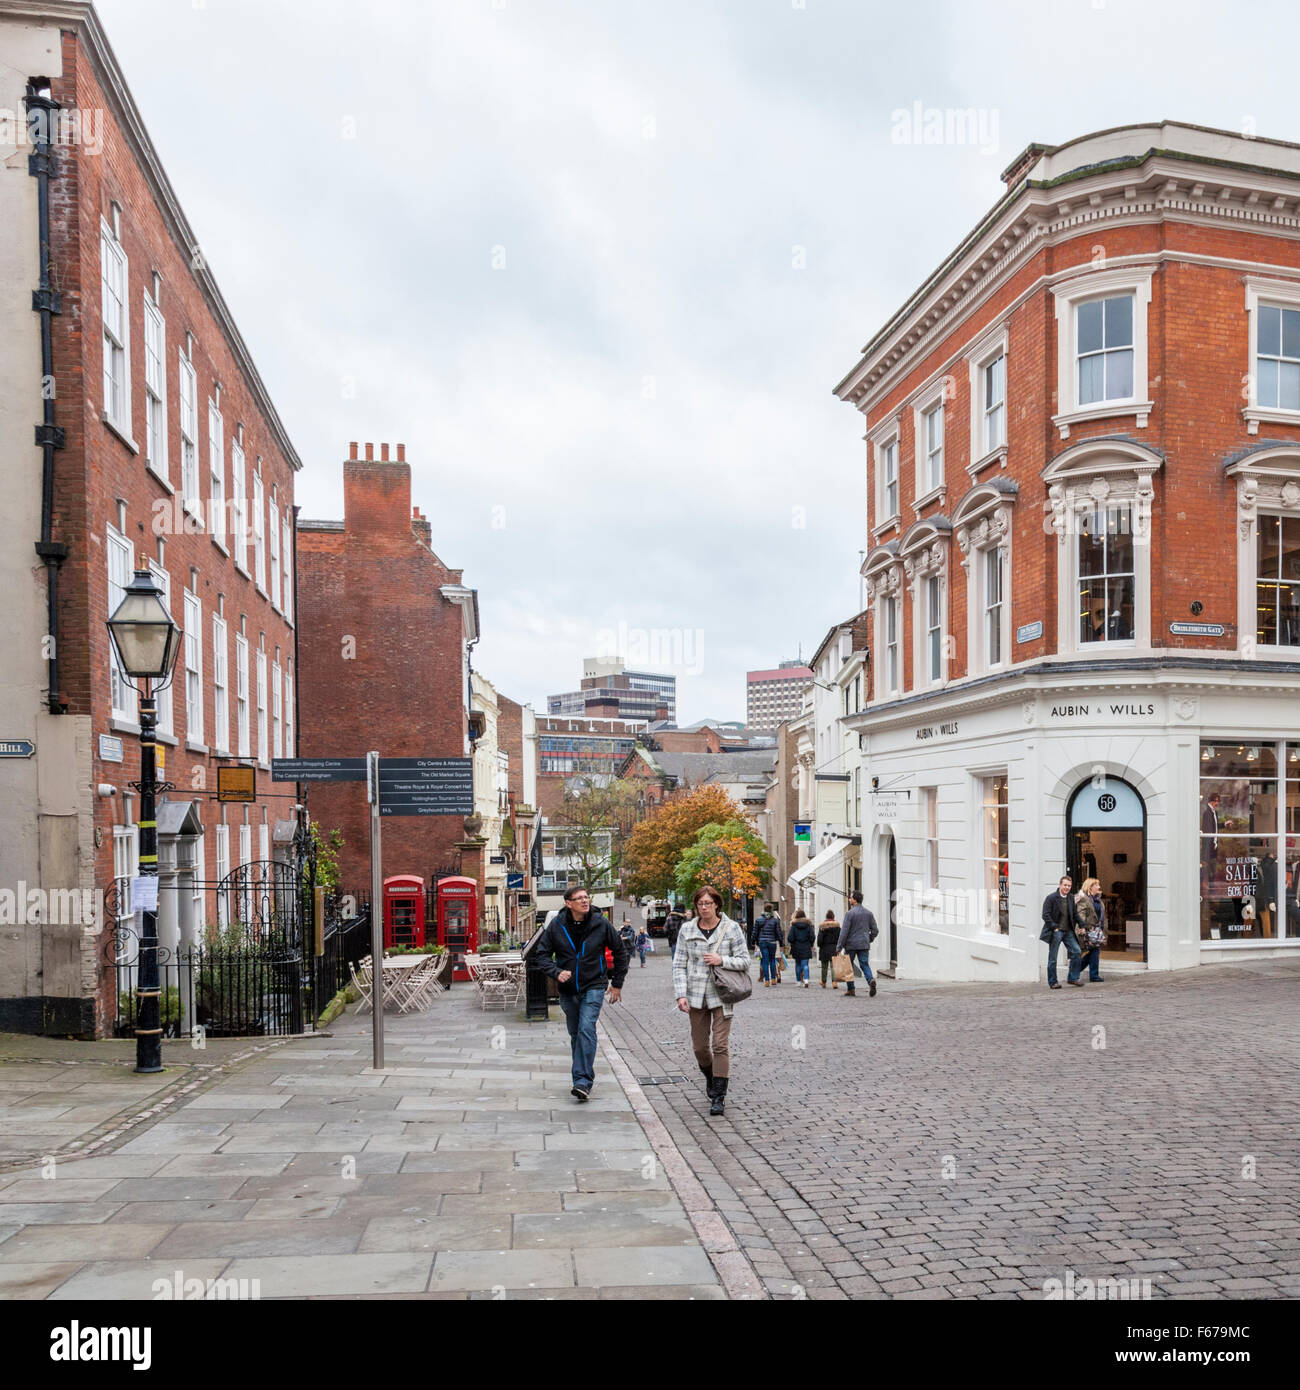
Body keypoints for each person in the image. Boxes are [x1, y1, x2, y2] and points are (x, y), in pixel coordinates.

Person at [533, 885, 628, 1101]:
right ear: (568, 903)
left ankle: (582, 1081)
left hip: (594, 985)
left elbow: (620, 951)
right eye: (579, 898)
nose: (585, 901)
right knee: (576, 1034)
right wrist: (556, 972)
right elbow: (542, 955)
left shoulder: (600, 922)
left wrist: (617, 983)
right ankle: (584, 1074)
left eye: (586, 897)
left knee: (586, 1028)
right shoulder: (557, 925)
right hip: (567, 990)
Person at [672, 884, 751, 1117]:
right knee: (699, 1048)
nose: (704, 907)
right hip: (696, 995)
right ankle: (709, 1075)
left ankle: (718, 1096)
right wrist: (680, 993)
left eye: (708, 903)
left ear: (716, 904)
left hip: (722, 994)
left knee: (720, 1045)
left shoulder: (731, 928)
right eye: (700, 904)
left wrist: (721, 959)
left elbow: (745, 961)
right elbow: (678, 964)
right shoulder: (687, 930)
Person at [1041, 874, 1083, 988]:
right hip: (1056, 931)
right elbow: (1045, 915)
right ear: (1060, 885)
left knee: (1077, 951)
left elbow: (1074, 913)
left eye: (1069, 886)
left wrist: (1082, 924)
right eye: (1065, 885)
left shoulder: (1070, 897)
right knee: (1053, 958)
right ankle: (1053, 982)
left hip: (1068, 930)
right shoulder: (1051, 898)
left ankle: (1073, 978)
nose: (1067, 887)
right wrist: (1054, 927)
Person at [835, 891, 878, 999]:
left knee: (848, 967)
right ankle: (870, 980)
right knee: (864, 964)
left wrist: (839, 946)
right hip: (863, 943)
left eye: (850, 898)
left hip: (851, 944)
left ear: (855, 900)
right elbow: (875, 930)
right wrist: (869, 938)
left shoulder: (850, 914)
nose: (849, 900)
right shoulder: (868, 913)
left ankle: (851, 989)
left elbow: (844, 931)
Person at [1073, 877, 1107, 983]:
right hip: (1087, 929)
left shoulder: (1098, 900)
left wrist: (1103, 930)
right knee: (1095, 951)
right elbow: (1081, 914)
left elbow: (1102, 916)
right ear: (1090, 887)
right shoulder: (1084, 899)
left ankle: (1075, 971)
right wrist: (1081, 928)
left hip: (1096, 931)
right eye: (1097, 885)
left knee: (1093, 951)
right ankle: (1093, 975)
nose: (1099, 887)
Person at [754, 904, 785, 988]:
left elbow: (755, 932)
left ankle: (767, 980)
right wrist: (781, 944)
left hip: (762, 942)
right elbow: (779, 933)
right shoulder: (775, 920)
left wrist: (754, 942)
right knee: (772, 960)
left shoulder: (758, 920)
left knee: (764, 961)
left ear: (764, 909)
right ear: (771, 910)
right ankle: (773, 979)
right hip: (772, 942)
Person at [787, 909, 815, 987]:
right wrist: (811, 944)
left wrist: (793, 943)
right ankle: (806, 980)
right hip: (806, 946)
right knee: (805, 964)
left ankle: (798, 981)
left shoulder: (793, 926)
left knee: (798, 964)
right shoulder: (809, 925)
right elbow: (812, 937)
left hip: (796, 947)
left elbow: (790, 938)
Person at [817, 909, 840, 989]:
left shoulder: (822, 927)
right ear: (833, 917)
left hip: (824, 948)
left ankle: (823, 981)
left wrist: (819, 945)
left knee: (824, 966)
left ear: (826, 917)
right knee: (833, 966)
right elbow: (839, 938)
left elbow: (820, 939)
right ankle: (834, 982)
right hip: (834, 948)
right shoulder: (837, 927)